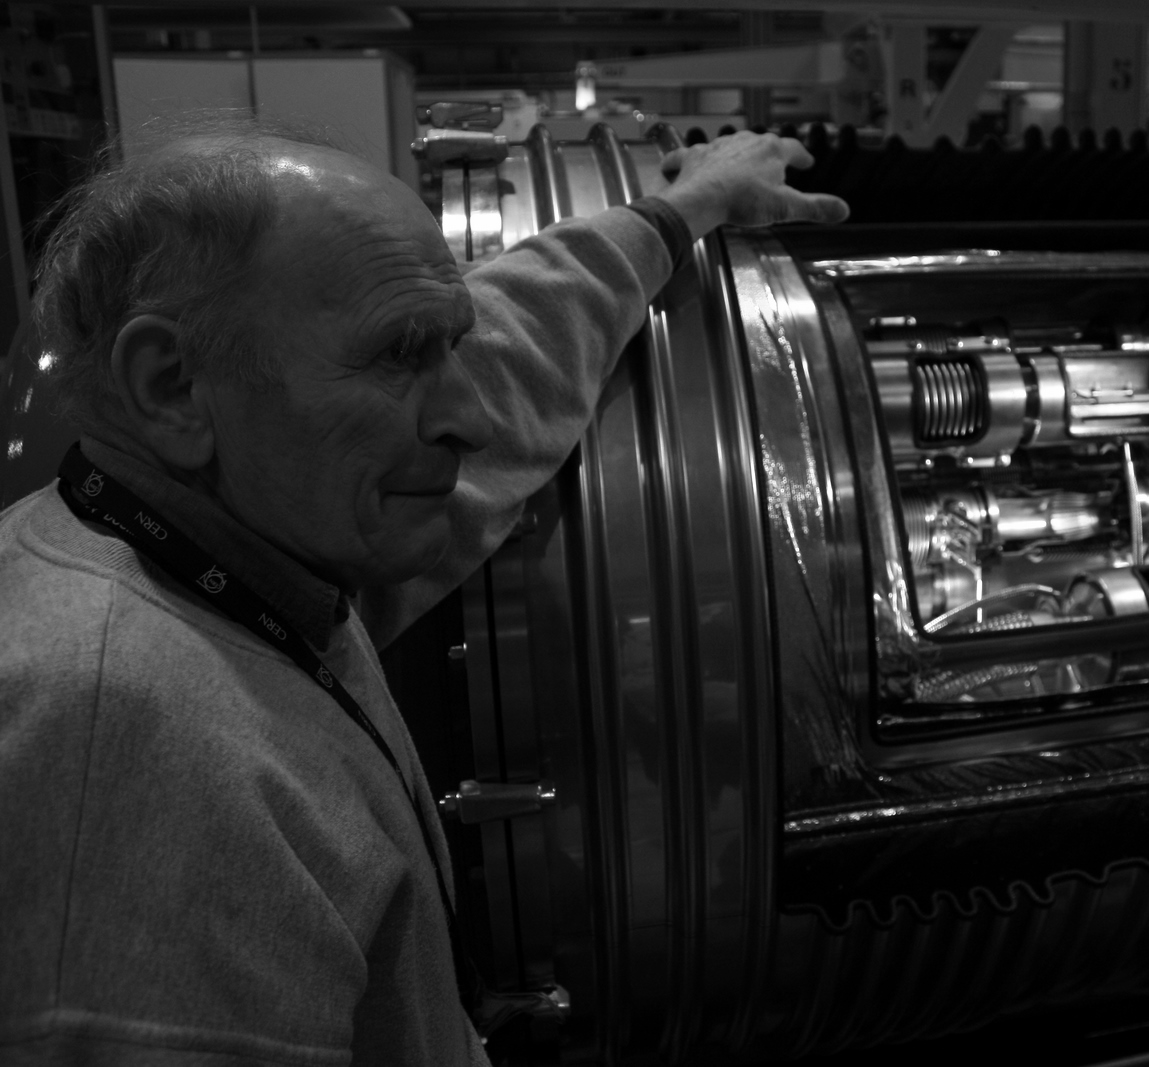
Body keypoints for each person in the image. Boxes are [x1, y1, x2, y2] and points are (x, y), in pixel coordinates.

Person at [0, 119, 847, 1066]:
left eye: (449, 345)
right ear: (170, 385)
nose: (470, 415)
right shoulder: (129, 754)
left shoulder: (242, 537)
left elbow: (518, 341)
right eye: (404, 353)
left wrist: (678, 210)